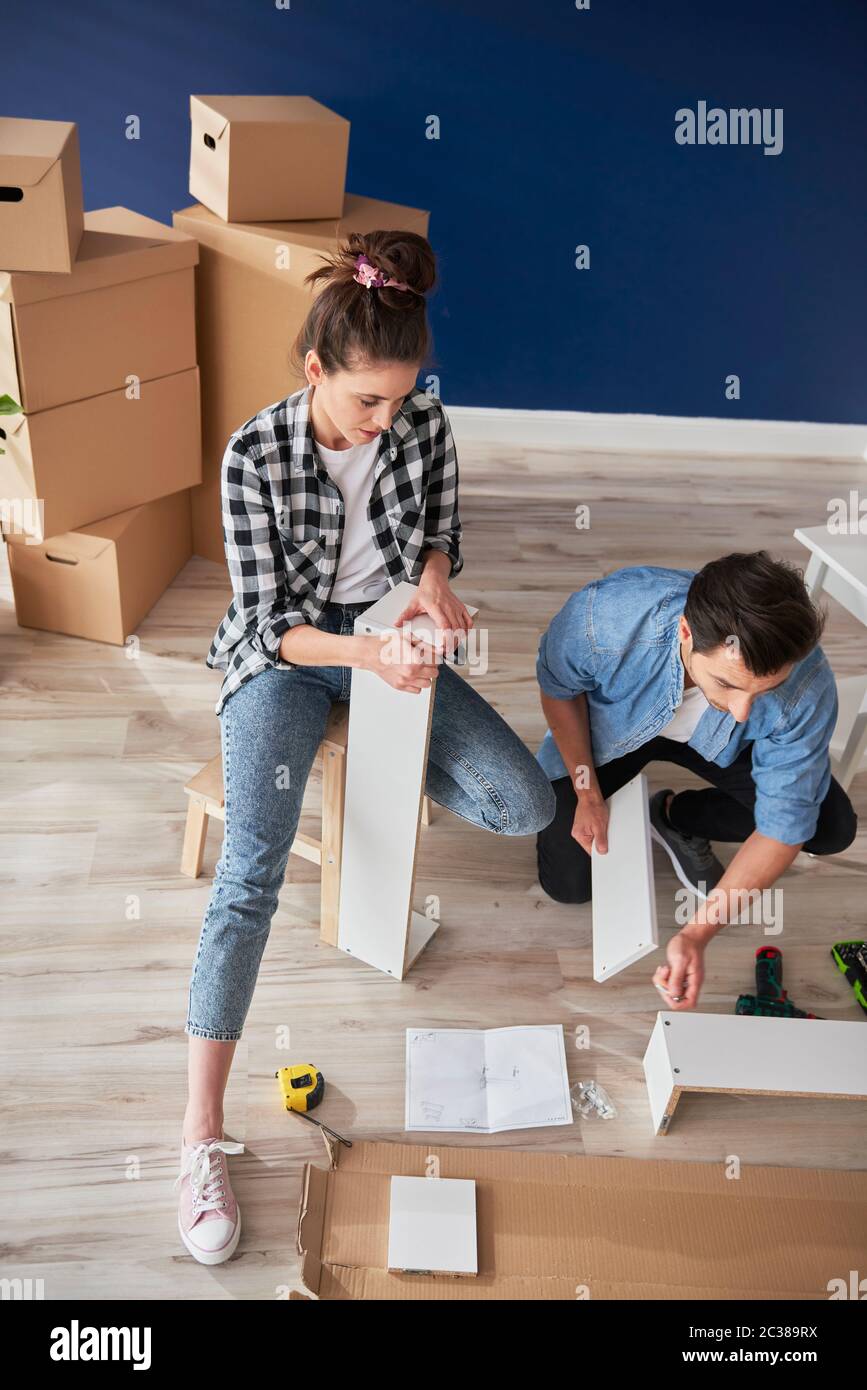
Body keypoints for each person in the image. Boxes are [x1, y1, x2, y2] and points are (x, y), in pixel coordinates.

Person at [175, 230, 556, 1264]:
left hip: (387, 634)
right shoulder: (255, 454)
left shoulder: (423, 420)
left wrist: (434, 589)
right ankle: (198, 1134)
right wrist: (370, 656)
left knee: (529, 806)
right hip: (295, 655)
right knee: (251, 866)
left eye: (401, 397)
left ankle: (395, 751)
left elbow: (437, 532)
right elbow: (268, 626)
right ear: (315, 372)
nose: (388, 419)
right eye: (366, 403)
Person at [535, 552, 857, 1010]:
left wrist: (695, 935)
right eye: (729, 684)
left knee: (828, 827)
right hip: (613, 730)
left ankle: (674, 815)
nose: (745, 710)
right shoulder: (607, 616)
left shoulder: (807, 682)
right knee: (568, 886)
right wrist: (586, 791)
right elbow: (559, 689)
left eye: (762, 691)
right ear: (686, 634)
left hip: (724, 746)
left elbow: (783, 825)